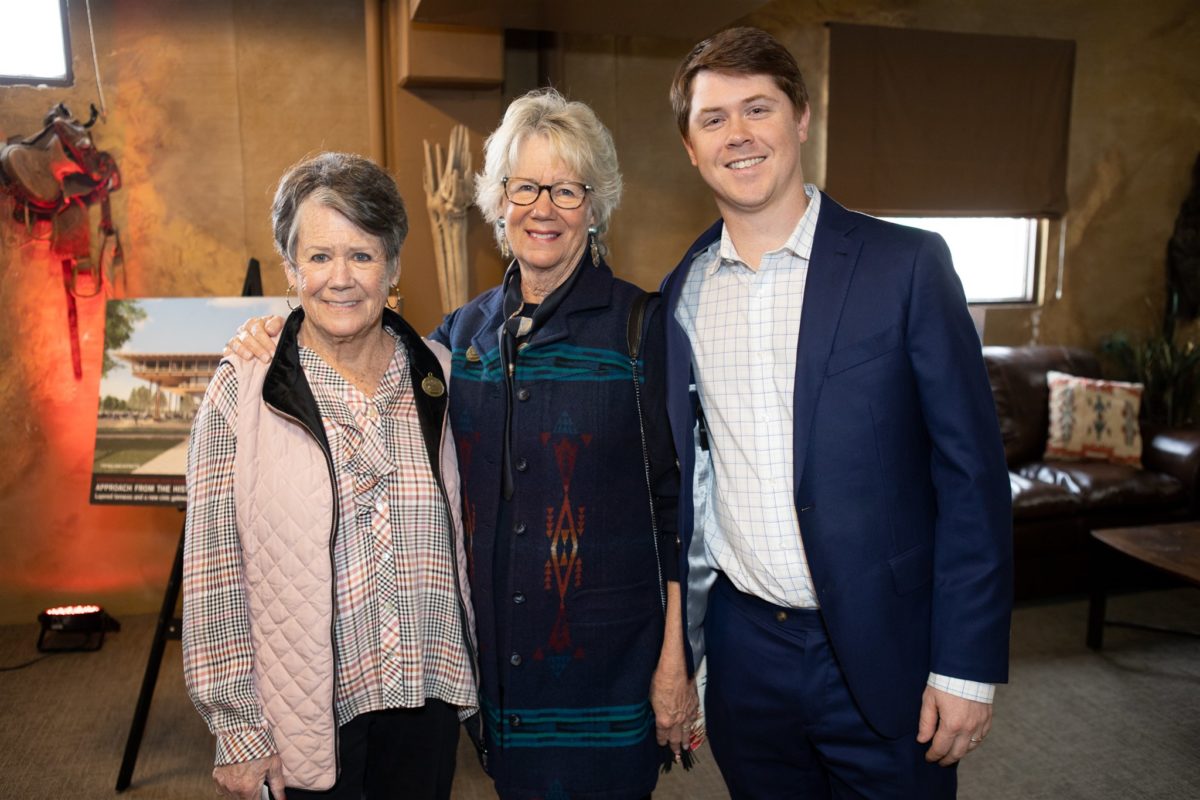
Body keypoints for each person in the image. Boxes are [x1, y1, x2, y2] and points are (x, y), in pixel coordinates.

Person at [223, 90, 695, 800]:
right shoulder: (459, 340)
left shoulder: (642, 327)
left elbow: (675, 510)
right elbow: (355, 331)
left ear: (595, 208)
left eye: (567, 189)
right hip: (500, 671)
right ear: (498, 201)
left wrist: (676, 661)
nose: (544, 207)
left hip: (611, 672)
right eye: (525, 186)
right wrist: (279, 330)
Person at [660, 27, 1013, 799]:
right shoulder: (679, 295)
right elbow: (688, 484)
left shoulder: (907, 266)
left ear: (802, 119)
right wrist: (687, 654)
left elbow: (972, 478)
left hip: (888, 650)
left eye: (759, 108)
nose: (739, 135)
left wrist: (967, 664)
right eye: (713, 119)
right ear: (690, 148)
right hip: (747, 652)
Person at [183, 152, 478, 800]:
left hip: (423, 697)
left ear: (394, 266)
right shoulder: (245, 388)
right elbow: (213, 569)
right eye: (318, 257)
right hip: (306, 716)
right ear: (290, 268)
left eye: (363, 255)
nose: (340, 279)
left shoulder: (439, 375)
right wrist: (238, 728)